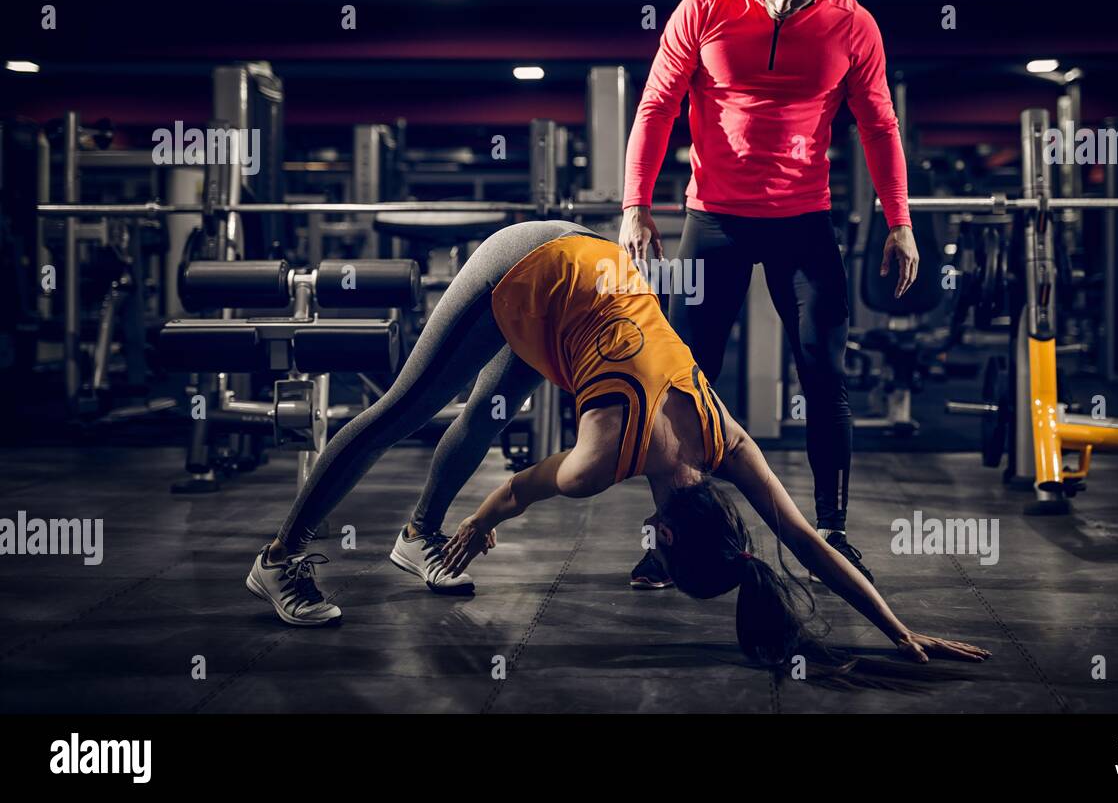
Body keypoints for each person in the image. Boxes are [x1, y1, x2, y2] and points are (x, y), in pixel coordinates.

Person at [245, 220, 988, 668]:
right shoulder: (600, 461)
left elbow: (801, 539)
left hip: (584, 276)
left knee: (486, 412)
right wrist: (480, 524)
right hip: (524, 262)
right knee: (404, 409)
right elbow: (518, 489)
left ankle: (417, 535)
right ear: (663, 533)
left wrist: (900, 630)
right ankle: (278, 559)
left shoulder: (723, 435)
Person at [619, 0, 918, 590]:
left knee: (825, 373)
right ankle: (671, 536)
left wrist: (899, 221)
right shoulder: (704, 7)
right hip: (714, 218)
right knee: (684, 384)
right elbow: (656, 107)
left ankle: (834, 532)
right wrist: (635, 205)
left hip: (802, 220)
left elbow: (879, 124)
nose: (786, 0)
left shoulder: (854, 25)